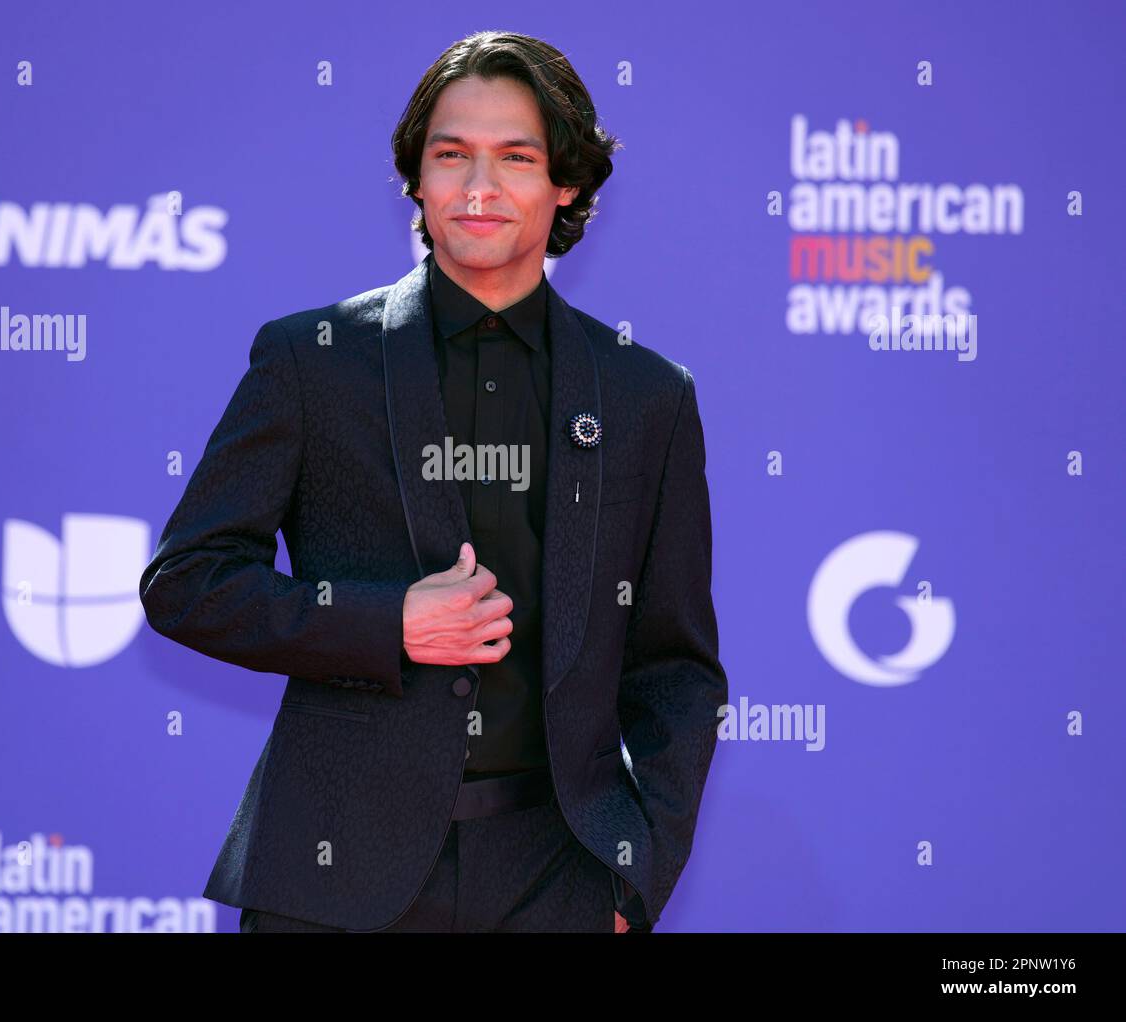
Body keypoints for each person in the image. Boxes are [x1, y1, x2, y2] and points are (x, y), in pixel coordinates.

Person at [139, 29, 728, 933]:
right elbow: (187, 583)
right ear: (416, 178)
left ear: (566, 182)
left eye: (517, 158)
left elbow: (677, 670)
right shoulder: (313, 361)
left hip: (560, 881)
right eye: (451, 156)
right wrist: (389, 622)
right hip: (332, 883)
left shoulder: (647, 395)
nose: (480, 188)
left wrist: (633, 874)